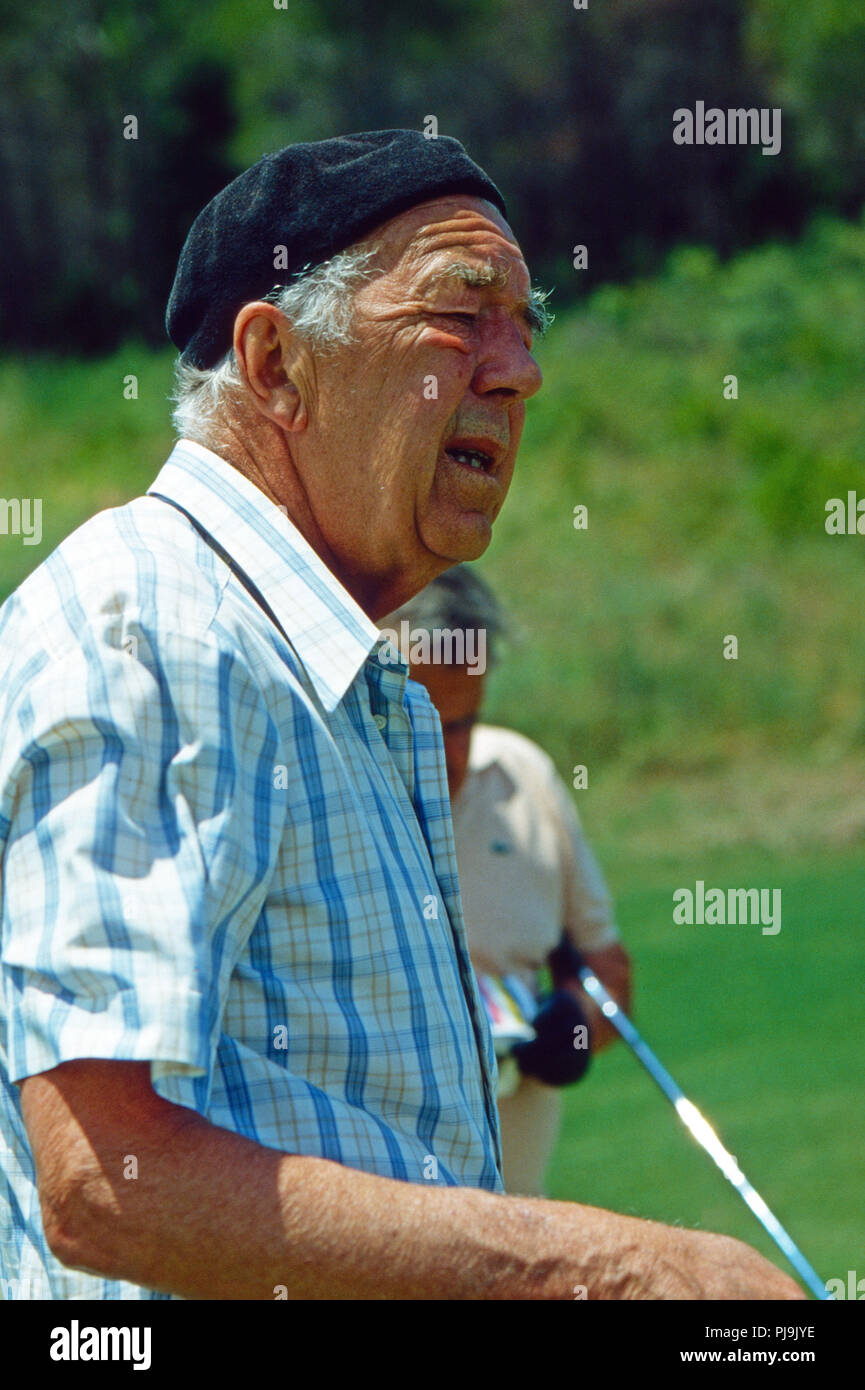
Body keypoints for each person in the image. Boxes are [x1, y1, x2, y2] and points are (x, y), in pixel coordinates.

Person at [0, 131, 803, 1300]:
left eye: (526, 326)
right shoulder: (157, 626)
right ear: (276, 365)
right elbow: (108, 1180)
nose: (519, 373)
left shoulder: (321, 664)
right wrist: (617, 1270)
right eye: (460, 314)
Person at [382, 566, 631, 1196]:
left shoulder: (525, 774)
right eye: (420, 724)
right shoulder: (320, 795)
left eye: (463, 725)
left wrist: (574, 1027)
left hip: (517, 1221)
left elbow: (607, 972)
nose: (448, 757)